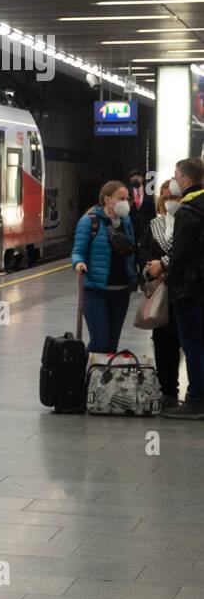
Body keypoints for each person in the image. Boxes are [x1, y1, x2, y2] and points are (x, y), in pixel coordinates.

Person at [148, 159, 204, 418]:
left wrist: (166, 279)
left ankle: (196, 400)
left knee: (192, 344)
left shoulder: (188, 210)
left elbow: (179, 254)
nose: (174, 178)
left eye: (176, 175)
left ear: (185, 180)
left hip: (189, 289)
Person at [71, 180, 137, 354]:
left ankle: (102, 380)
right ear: (107, 200)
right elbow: (78, 250)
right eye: (121, 198)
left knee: (111, 346)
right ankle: (85, 377)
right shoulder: (90, 221)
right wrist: (78, 263)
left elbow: (131, 250)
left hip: (121, 291)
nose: (126, 202)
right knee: (100, 342)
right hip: (95, 291)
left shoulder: (126, 221)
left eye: (127, 198)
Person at [137, 179, 183, 411]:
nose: (168, 202)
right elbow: (143, 251)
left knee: (186, 341)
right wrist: (150, 269)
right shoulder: (153, 226)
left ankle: (196, 392)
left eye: (172, 197)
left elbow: (184, 252)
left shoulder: (187, 222)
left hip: (183, 289)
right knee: (162, 340)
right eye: (164, 198)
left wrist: (164, 266)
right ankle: (168, 391)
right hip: (160, 292)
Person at [128, 170, 156, 238]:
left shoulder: (149, 192)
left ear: (142, 178)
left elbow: (153, 210)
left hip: (147, 225)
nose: (135, 180)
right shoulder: (127, 192)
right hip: (132, 225)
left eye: (137, 178)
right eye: (133, 179)